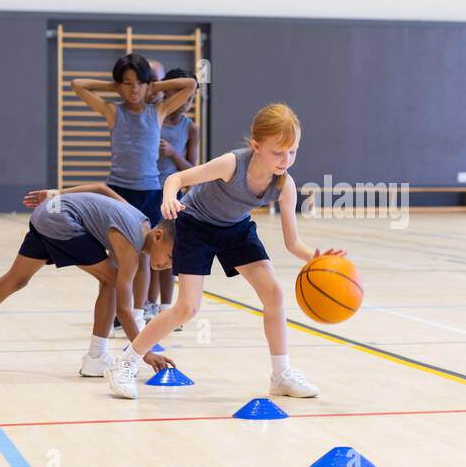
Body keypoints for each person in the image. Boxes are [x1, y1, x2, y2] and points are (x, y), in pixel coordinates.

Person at [105, 102, 343, 400]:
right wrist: (168, 199)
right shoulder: (232, 164)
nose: (286, 159)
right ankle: (125, 363)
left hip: (236, 228)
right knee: (187, 308)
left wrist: (317, 259)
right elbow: (177, 178)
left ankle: (281, 375)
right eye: (278, 151)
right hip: (197, 224)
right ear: (256, 146)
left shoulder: (285, 185)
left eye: (292, 151)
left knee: (274, 294)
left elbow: (292, 242)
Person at [0, 184, 175, 377]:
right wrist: (144, 352)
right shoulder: (130, 245)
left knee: (17, 279)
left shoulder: (140, 219)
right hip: (60, 219)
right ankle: (95, 357)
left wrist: (56, 194)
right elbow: (123, 309)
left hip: (50, 211)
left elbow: (102, 189)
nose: (168, 265)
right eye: (170, 255)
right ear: (158, 236)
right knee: (112, 279)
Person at [71, 55, 196, 325]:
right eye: (127, 84)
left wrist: (154, 87)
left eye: (140, 83)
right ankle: (118, 312)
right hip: (118, 192)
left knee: (142, 255)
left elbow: (190, 84)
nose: (134, 89)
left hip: (149, 191)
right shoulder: (113, 111)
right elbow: (77, 84)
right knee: (116, 256)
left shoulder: (158, 112)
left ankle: (137, 313)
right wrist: (114, 86)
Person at [145, 67, 199, 323]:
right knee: (146, 252)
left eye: (190, 99)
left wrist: (174, 154)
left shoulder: (191, 128)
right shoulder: (152, 117)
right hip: (147, 190)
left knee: (169, 254)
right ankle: (147, 304)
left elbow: (194, 171)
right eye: (182, 97)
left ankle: (167, 308)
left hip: (173, 197)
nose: (186, 103)